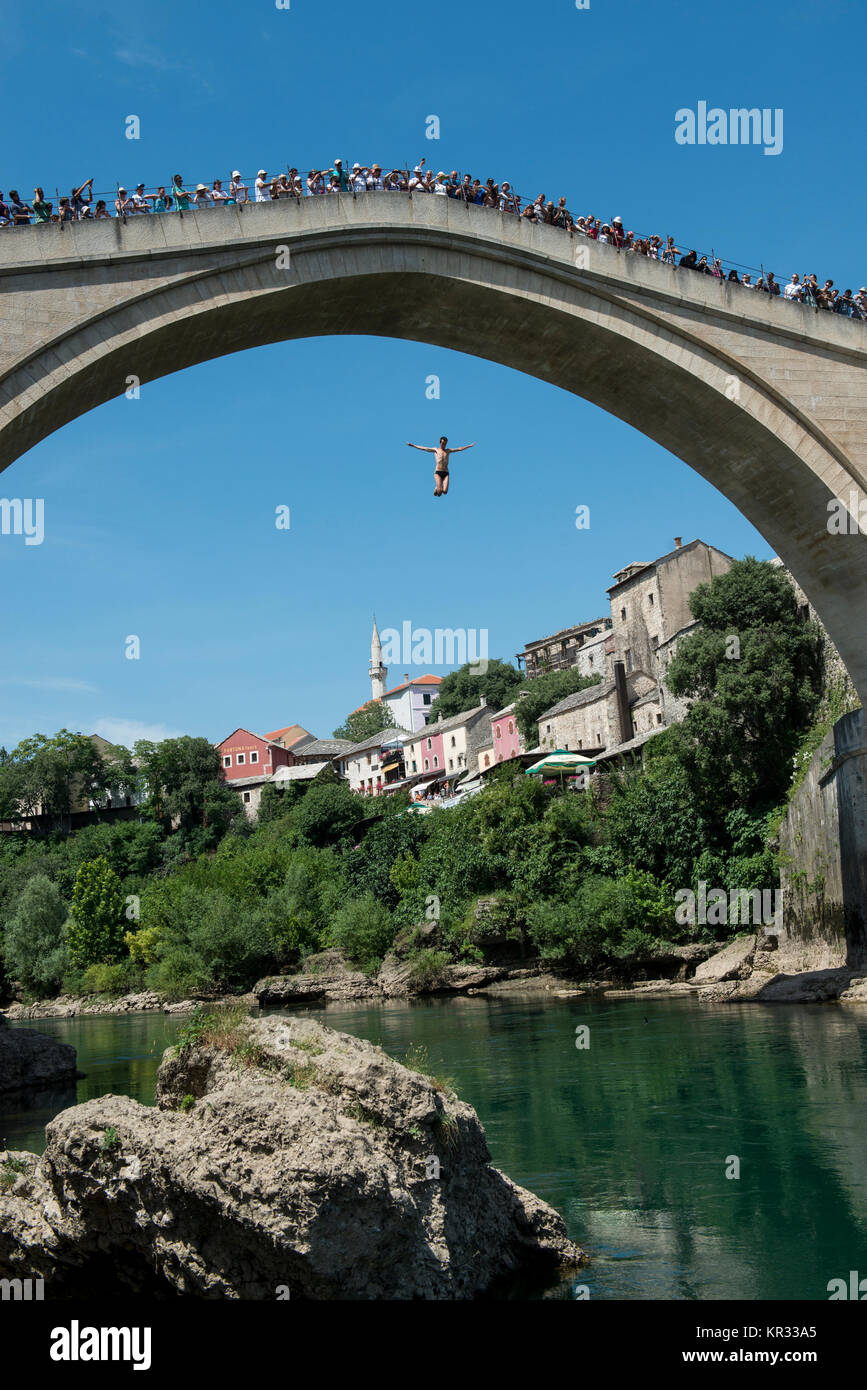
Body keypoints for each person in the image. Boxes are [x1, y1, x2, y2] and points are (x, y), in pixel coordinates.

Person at [406, 436, 476, 497]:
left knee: (445, 492)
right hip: (438, 472)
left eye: (445, 444)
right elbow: (424, 448)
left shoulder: (448, 451)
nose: (444, 445)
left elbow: (459, 449)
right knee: (439, 493)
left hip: (446, 473)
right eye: (442, 443)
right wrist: (413, 445)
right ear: (440, 443)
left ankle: (438, 487)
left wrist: (468, 446)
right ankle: (437, 488)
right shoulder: (435, 450)